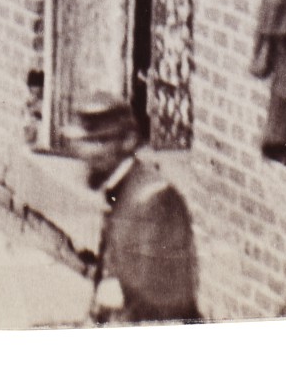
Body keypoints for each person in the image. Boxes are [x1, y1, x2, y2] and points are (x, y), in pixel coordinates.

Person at [70, 89, 198, 323]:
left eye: (99, 141)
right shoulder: (121, 190)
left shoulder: (154, 199)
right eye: (84, 142)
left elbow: (166, 306)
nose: (87, 153)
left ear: (128, 141)